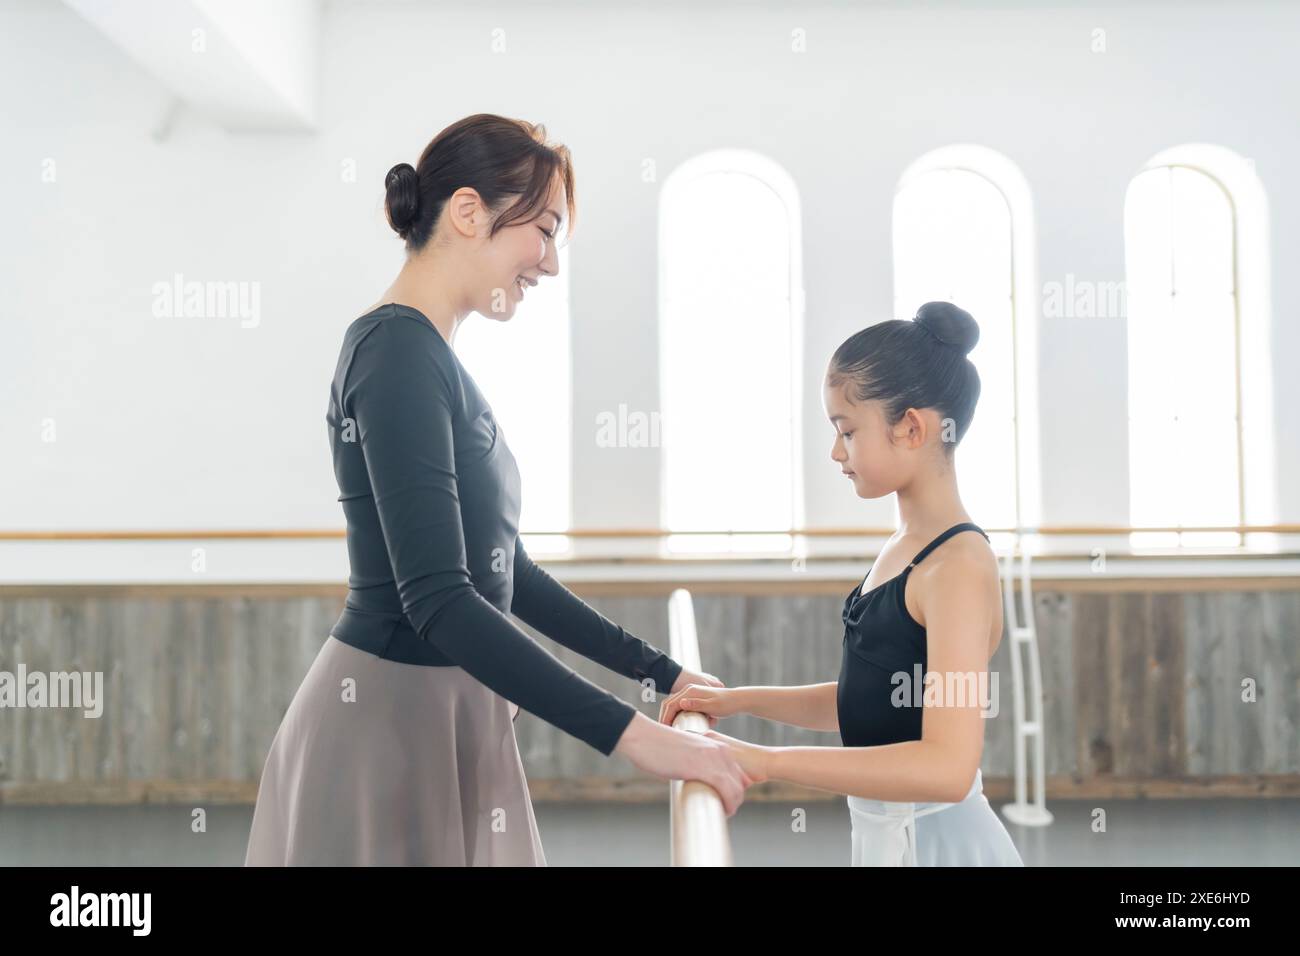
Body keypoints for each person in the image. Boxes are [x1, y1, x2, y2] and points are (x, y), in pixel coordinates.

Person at [245, 114, 752, 867]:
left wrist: (662, 673)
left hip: (449, 714)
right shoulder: (395, 354)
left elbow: (508, 572)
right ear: (468, 211)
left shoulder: (433, 357)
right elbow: (441, 600)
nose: (547, 262)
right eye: (543, 230)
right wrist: (640, 739)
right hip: (386, 724)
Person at [660, 302, 1024, 866]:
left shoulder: (959, 568)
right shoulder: (904, 547)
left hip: (937, 847)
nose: (836, 452)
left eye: (847, 430)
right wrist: (737, 701)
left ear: (911, 427)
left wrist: (764, 761)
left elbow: (947, 769)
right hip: (887, 839)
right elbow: (867, 702)